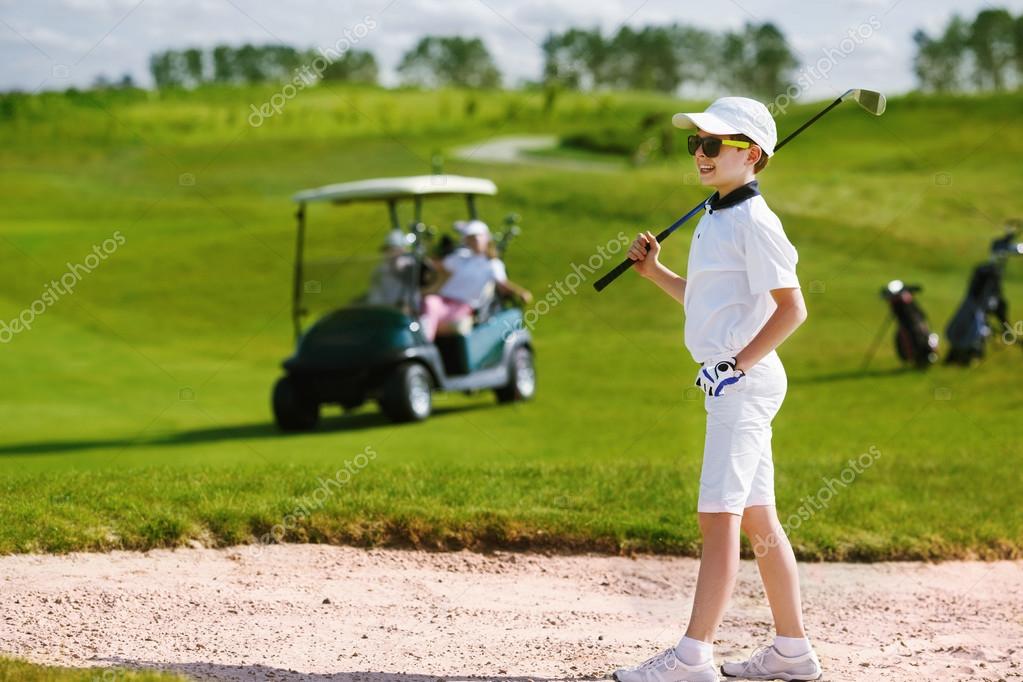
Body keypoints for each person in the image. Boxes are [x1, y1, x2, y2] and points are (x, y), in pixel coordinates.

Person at [613, 97, 820, 682]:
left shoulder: (754, 221)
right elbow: (708, 303)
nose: (700, 154)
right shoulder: (718, 215)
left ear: (751, 154)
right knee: (757, 519)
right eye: (695, 144)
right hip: (732, 380)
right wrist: (656, 274)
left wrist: (735, 364)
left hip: (740, 384)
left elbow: (793, 309)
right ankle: (792, 652)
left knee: (718, 517)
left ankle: (692, 657)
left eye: (712, 144)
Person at [420, 220, 532, 341]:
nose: (475, 241)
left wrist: (520, 292)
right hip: (443, 301)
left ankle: (425, 342)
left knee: (430, 305)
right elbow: (437, 265)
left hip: (462, 306)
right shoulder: (461, 258)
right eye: (471, 238)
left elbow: (503, 284)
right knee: (425, 302)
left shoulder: (492, 264)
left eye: (478, 237)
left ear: (486, 238)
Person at [365, 229, 415, 308]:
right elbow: (375, 299)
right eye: (388, 250)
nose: (389, 254)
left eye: (393, 250)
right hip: (387, 312)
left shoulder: (412, 269)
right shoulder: (379, 272)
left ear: (403, 250)